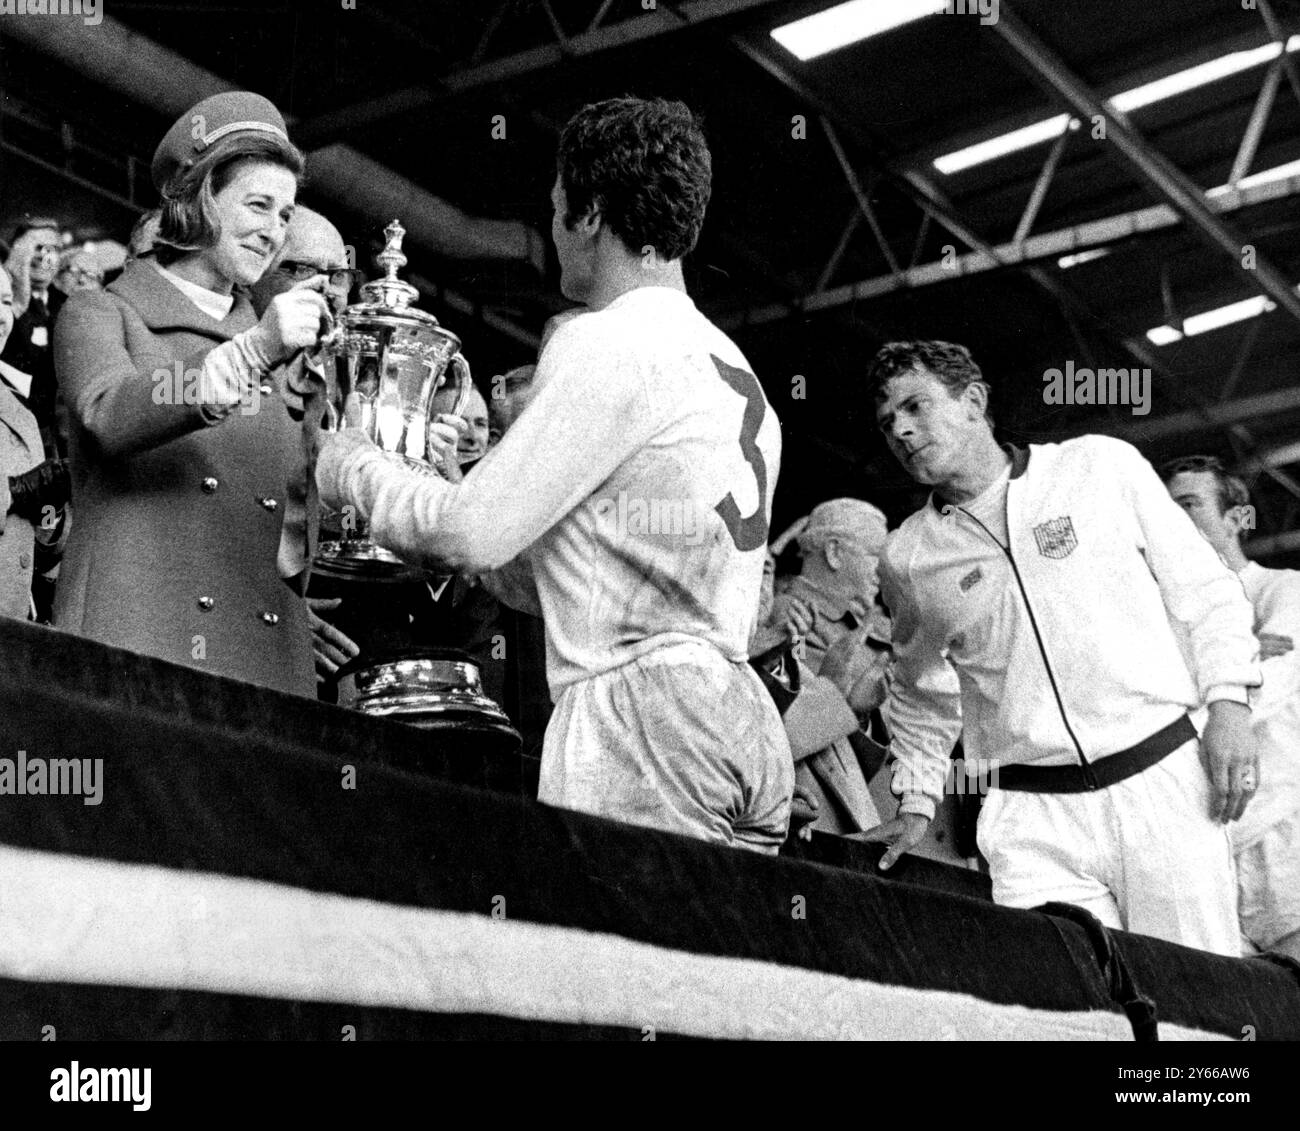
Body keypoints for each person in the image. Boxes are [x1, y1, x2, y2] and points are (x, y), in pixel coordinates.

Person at [315, 96, 792, 850]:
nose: (553, 231)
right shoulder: (737, 369)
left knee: (623, 962)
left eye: (556, 207)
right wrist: (454, 488)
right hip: (740, 718)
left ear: (591, 212)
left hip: (642, 722)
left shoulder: (605, 340)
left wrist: (352, 466)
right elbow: (558, 578)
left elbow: (465, 537)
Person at [864, 340, 1259, 956]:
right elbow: (918, 692)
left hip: (1158, 781)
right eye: (888, 423)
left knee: (1197, 1009)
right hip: (1029, 818)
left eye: (915, 406)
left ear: (973, 402)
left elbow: (1205, 590)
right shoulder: (908, 556)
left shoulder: (1099, 467)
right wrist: (916, 800)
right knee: (1063, 1016)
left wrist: (1230, 701)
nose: (903, 431)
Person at [52, 92, 329, 696]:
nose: (273, 232)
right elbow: (112, 412)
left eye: (286, 215)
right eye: (258, 205)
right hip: (141, 640)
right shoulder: (102, 309)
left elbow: (297, 519)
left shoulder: (276, 349)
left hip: (264, 661)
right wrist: (253, 351)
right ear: (201, 202)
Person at [1162, 454, 1300, 961]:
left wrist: (1195, 687)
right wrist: (1239, 659)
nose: (1175, 518)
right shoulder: (1167, 617)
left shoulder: (1286, 592)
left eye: (1190, 504)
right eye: (1166, 508)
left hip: (1286, 846)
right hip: (1209, 855)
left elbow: (1264, 691)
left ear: (1235, 518)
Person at [0, 264, 68, 620]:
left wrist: (52, 515)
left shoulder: (22, 413)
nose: (2, 317)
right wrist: (12, 492)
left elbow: (40, 555)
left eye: (7, 302)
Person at [2, 217, 66, 456]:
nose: (41, 256)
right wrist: (18, 299)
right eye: (34, 248)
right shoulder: (5, 301)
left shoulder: (68, 305)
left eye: (50, 249)